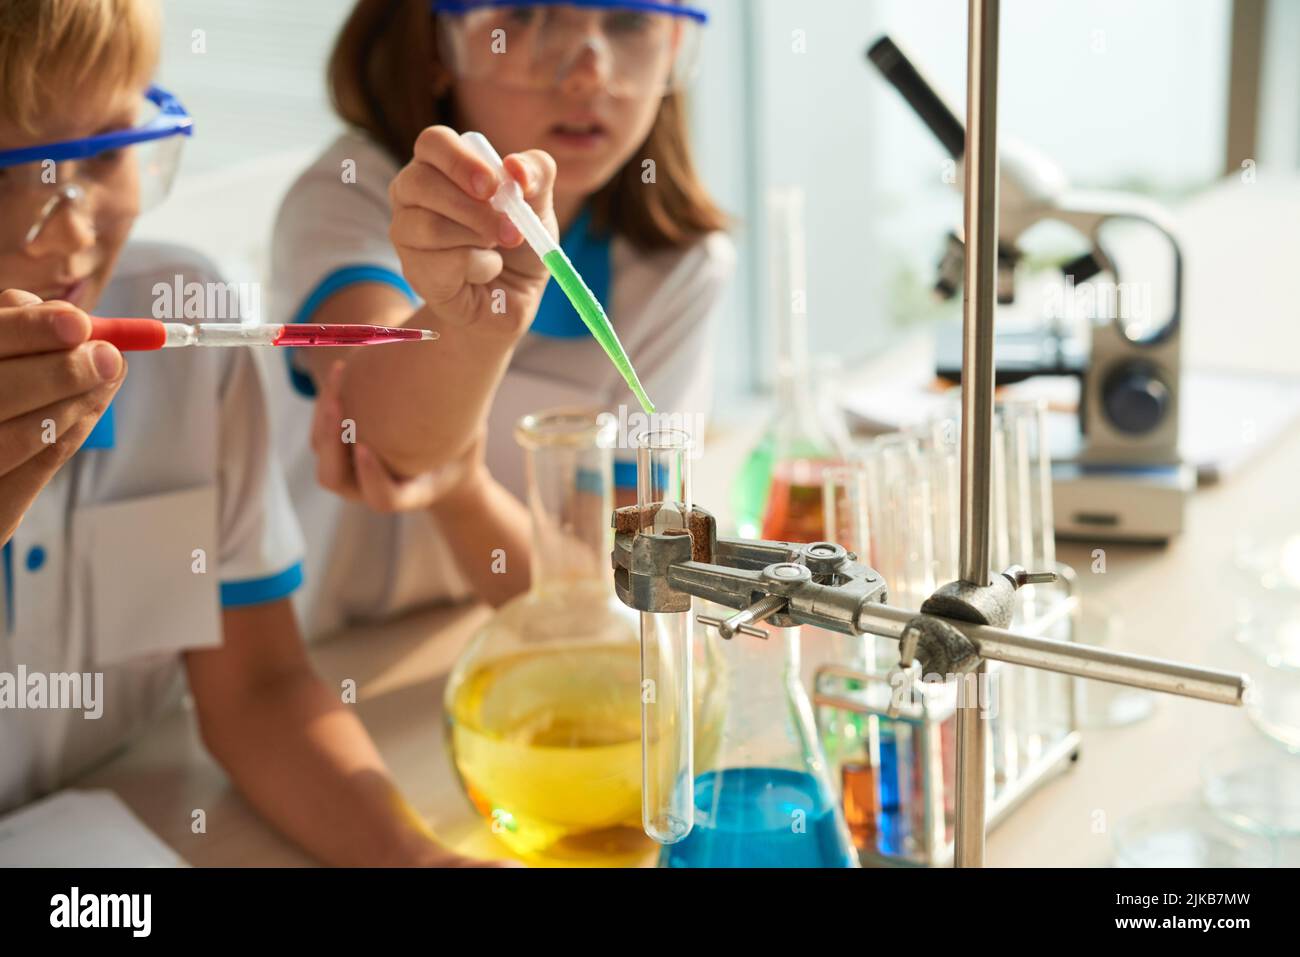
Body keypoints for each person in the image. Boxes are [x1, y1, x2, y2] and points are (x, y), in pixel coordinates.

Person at [0, 0, 493, 867]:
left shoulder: (191, 342)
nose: (71, 232)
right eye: (5, 175)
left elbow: (259, 690)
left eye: (108, 153)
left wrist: (420, 861)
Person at [268, 0, 733, 639]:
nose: (586, 73)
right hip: (339, 657)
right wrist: (476, 325)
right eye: (525, 14)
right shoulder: (350, 195)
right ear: (437, 46)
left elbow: (614, 584)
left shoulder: (676, 265)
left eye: (629, 21)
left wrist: (462, 492)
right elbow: (377, 434)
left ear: (676, 46)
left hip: (512, 642)